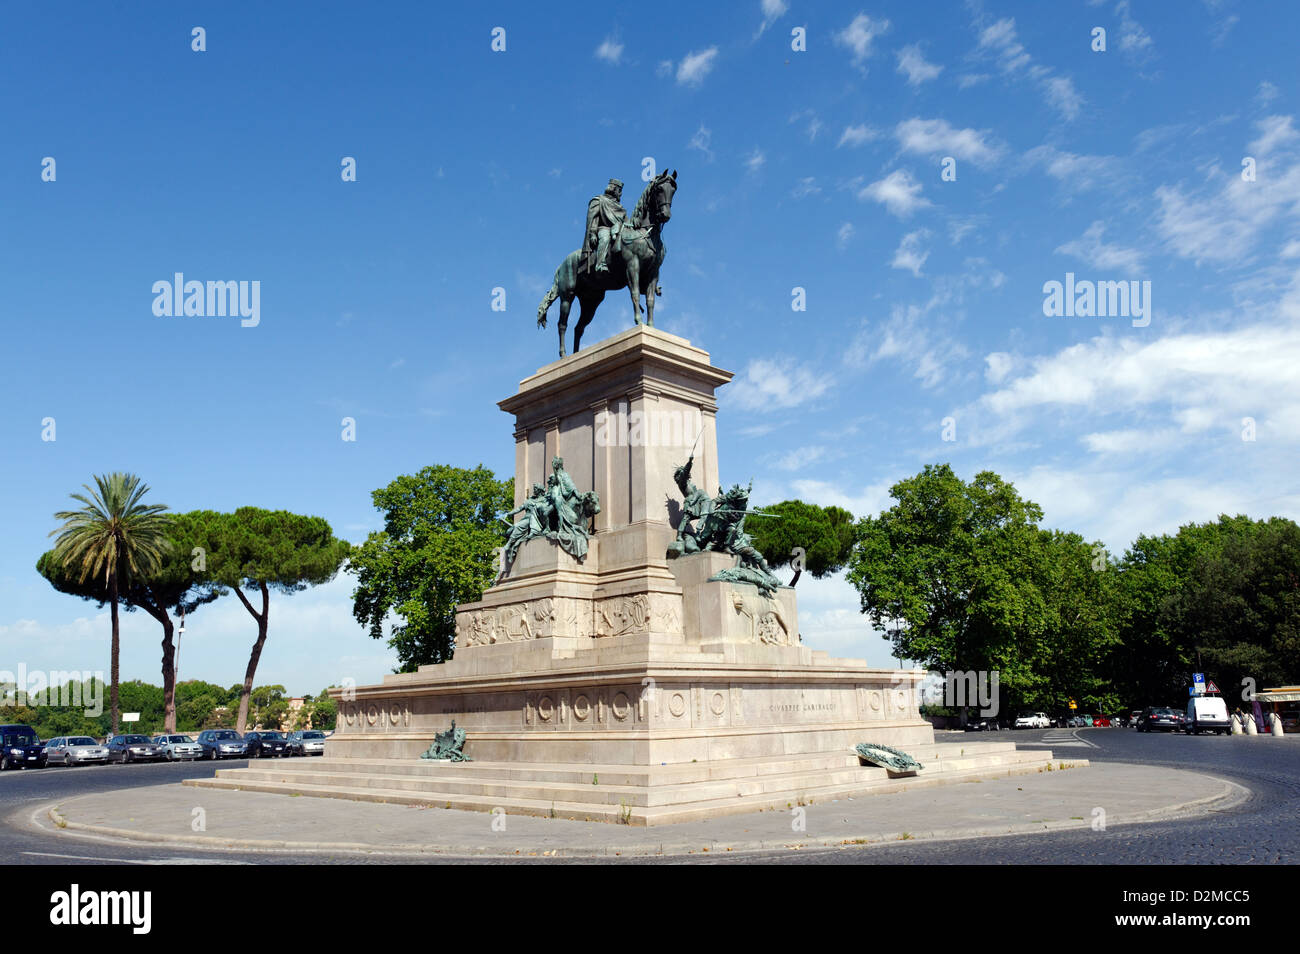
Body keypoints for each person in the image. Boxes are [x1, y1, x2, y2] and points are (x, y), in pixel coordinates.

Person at [585, 178, 626, 273]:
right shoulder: (599, 201)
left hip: (618, 229)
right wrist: (593, 234)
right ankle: (600, 264)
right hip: (603, 229)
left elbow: (624, 220)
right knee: (605, 238)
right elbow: (593, 220)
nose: (621, 194)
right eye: (619, 191)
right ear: (614, 189)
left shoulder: (619, 207)